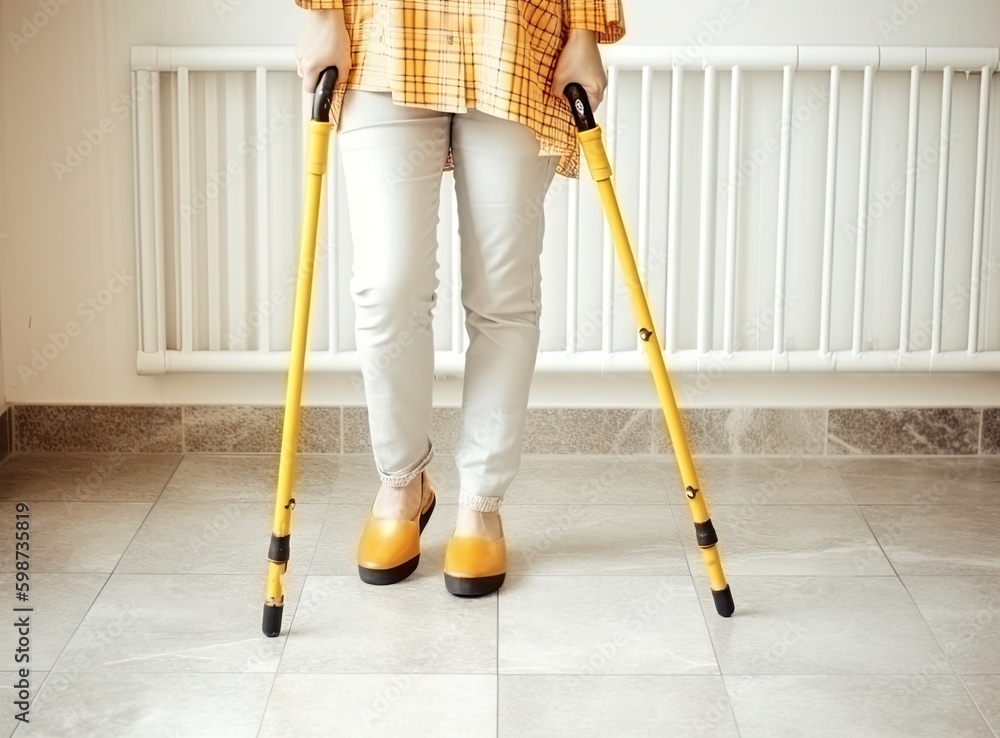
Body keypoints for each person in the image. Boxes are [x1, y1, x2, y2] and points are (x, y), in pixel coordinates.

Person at [295, 0, 625, 597]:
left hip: (518, 33)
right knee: (386, 285)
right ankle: (402, 483)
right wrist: (324, 16)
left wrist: (585, 30)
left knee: (503, 293)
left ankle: (480, 502)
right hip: (384, 28)